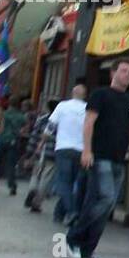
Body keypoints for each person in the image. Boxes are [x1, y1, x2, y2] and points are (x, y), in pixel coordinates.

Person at [63, 60, 129, 258]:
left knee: (105, 204)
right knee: (105, 198)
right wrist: (86, 150)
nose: (127, 75)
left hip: (119, 158)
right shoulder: (100, 95)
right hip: (100, 156)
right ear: (113, 73)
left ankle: (87, 249)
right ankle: (73, 237)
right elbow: (89, 122)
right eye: (123, 71)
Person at [44, 84, 88, 223]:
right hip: (80, 150)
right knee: (73, 182)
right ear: (85, 95)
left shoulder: (62, 106)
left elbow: (51, 125)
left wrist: (45, 137)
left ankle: (71, 211)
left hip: (63, 147)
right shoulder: (88, 109)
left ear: (72, 93)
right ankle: (59, 214)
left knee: (63, 182)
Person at [0, 97, 29, 195]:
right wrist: (20, 132)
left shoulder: (3, 114)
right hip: (13, 141)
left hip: (1, 140)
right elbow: (26, 127)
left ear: (9, 103)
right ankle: (12, 185)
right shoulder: (21, 116)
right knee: (11, 165)